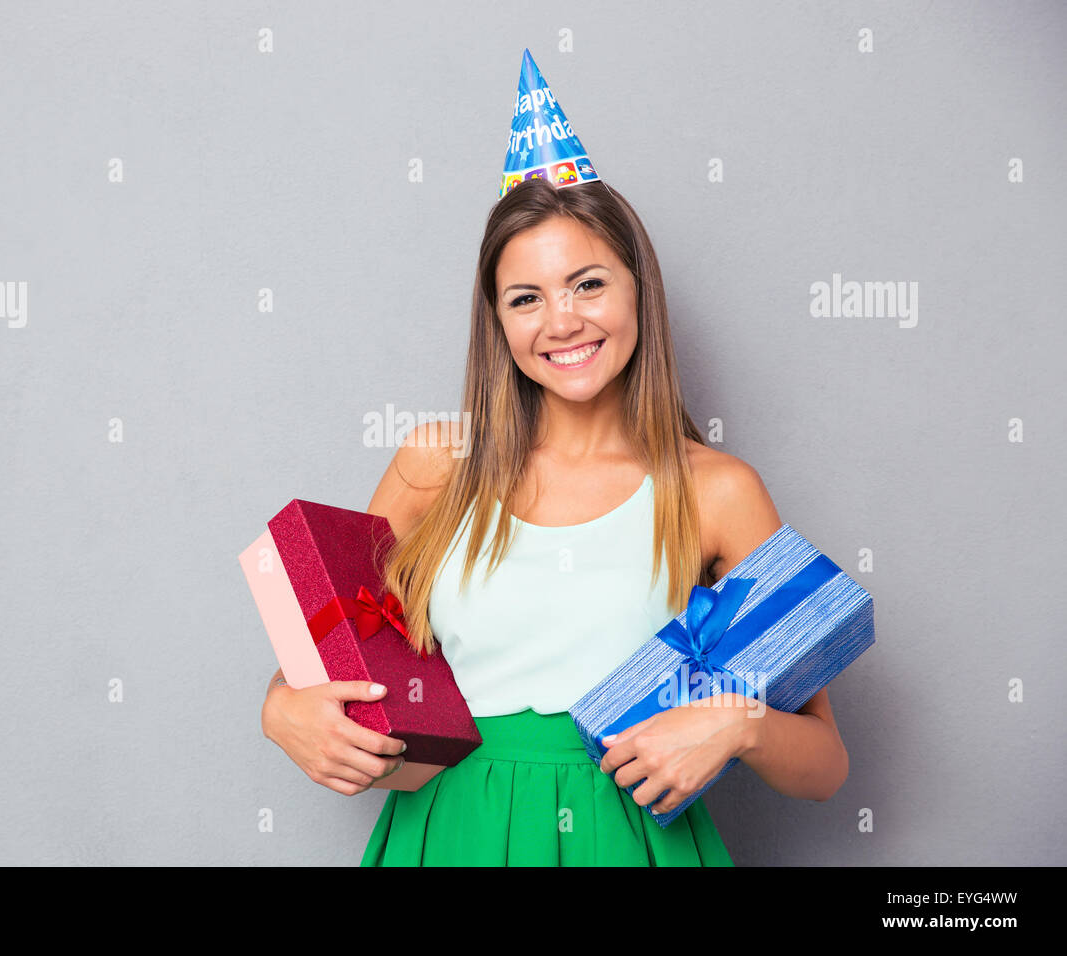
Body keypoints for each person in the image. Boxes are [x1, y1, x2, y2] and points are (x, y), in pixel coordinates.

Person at [260, 52, 851, 866]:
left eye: (588, 284)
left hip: (630, 839)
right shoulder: (438, 464)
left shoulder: (715, 491)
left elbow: (825, 766)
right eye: (527, 298)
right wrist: (279, 709)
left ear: (637, 287)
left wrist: (735, 721)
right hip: (449, 834)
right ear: (498, 322)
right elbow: (322, 662)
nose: (562, 321)